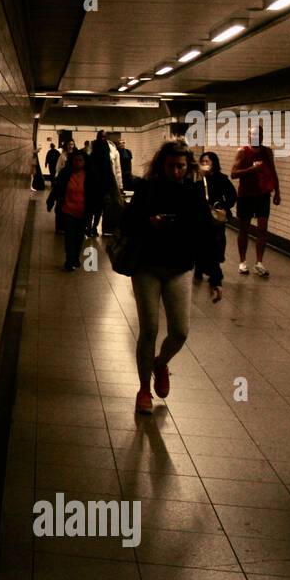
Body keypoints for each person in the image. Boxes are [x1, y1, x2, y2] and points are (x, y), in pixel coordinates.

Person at [122, 141, 223, 414]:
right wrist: (148, 222)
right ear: (161, 165)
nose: (176, 172)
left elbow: (206, 235)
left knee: (180, 331)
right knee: (150, 329)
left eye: (180, 166)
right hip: (147, 265)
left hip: (180, 266)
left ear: (187, 166)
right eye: (171, 166)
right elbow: (128, 221)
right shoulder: (146, 188)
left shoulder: (192, 194)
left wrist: (215, 276)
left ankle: (161, 362)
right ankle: (144, 389)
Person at [230, 127, 281, 276]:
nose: (256, 137)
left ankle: (259, 262)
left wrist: (277, 192)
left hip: (263, 195)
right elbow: (233, 174)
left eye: (258, 134)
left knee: (262, 229)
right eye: (253, 134)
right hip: (246, 195)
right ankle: (242, 262)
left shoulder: (267, 152)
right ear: (249, 136)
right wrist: (251, 170)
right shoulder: (243, 151)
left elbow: (273, 171)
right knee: (244, 229)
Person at [193, 151, 237, 282]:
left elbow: (232, 196)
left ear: (214, 164)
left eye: (207, 162)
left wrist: (222, 205)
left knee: (217, 240)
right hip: (200, 216)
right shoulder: (197, 179)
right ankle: (199, 267)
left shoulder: (221, 179)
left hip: (216, 217)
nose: (204, 165)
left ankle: (215, 266)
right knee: (200, 241)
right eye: (202, 162)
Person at [47, 147, 88, 270]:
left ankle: (75, 257)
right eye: (76, 160)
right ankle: (69, 260)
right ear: (72, 161)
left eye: (80, 160)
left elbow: (94, 193)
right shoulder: (66, 173)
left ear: (85, 162)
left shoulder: (89, 175)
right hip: (68, 210)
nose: (78, 163)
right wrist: (50, 201)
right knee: (70, 236)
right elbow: (57, 188)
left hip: (83, 211)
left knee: (79, 236)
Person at [85, 133, 118, 237]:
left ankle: (91, 227)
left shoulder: (94, 151)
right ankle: (92, 227)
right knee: (97, 208)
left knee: (93, 208)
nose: (103, 139)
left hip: (95, 184)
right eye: (102, 137)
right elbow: (109, 170)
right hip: (101, 184)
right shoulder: (105, 150)